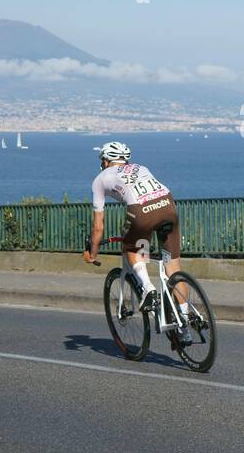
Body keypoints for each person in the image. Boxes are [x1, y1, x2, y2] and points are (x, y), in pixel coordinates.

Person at [82, 141, 192, 331]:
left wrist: (92, 253)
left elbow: (98, 226)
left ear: (107, 161)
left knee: (130, 246)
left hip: (141, 211)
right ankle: (186, 323)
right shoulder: (141, 167)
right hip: (167, 205)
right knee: (172, 269)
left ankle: (148, 288)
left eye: (102, 161)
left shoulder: (99, 179)